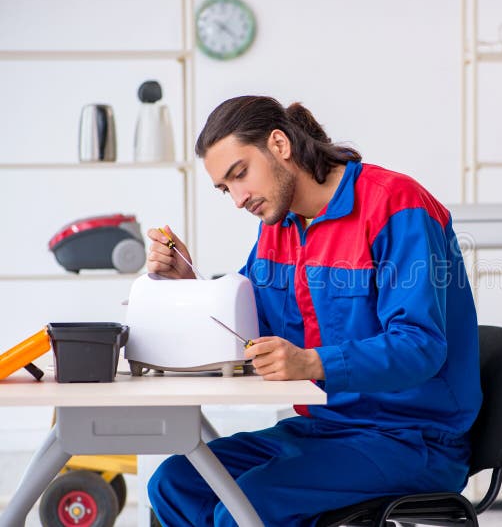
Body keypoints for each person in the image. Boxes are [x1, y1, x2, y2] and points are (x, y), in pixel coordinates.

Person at [145, 96, 482, 526]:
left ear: (280, 145)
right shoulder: (277, 230)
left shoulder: (395, 205)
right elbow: (248, 332)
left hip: (412, 439)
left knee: (246, 504)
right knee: (176, 482)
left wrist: (310, 361)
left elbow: (420, 346)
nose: (237, 198)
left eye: (240, 174)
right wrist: (189, 286)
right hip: (326, 430)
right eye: (225, 188)